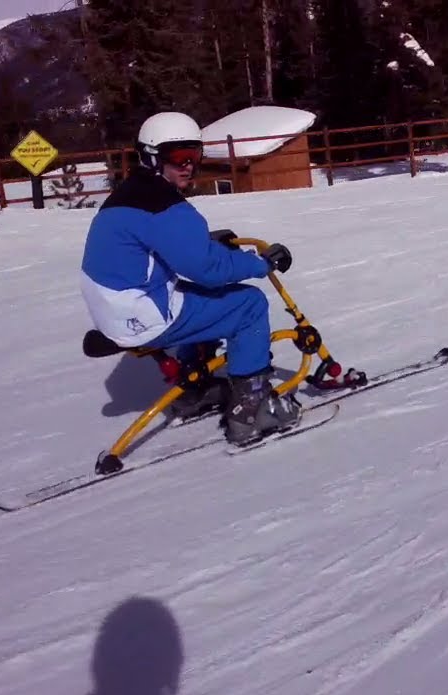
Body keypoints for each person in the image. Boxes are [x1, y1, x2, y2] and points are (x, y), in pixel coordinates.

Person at [79, 110, 300, 445]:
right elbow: (209, 270)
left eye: (194, 156)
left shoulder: (126, 197)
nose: (188, 166)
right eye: (178, 157)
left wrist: (202, 244)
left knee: (195, 296)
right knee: (248, 304)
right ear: (152, 159)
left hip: (116, 311)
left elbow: (162, 247)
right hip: (143, 316)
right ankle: (251, 409)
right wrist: (260, 263)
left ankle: (195, 387)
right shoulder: (164, 206)